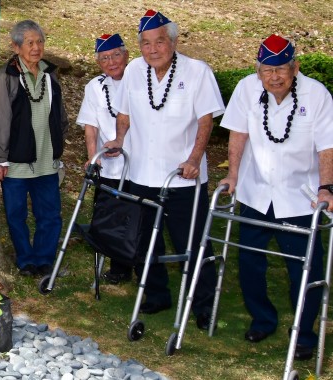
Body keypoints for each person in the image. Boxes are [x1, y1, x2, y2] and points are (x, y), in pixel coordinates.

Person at [102, 10, 221, 329]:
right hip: (141, 173)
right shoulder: (133, 71)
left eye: (159, 42)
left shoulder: (197, 71)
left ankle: (204, 304)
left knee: (193, 243)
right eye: (145, 43)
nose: (152, 49)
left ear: (172, 41)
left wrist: (195, 158)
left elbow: (206, 120)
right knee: (143, 240)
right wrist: (119, 139)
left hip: (183, 177)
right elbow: (124, 114)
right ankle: (156, 294)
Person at [219, 34, 333, 360]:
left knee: (306, 270)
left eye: (281, 68)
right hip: (256, 194)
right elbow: (238, 133)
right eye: (268, 70)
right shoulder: (246, 89)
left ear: (295, 67)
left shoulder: (317, 95)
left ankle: (305, 335)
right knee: (250, 263)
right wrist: (233, 175)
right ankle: (262, 319)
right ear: (258, 71)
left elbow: (327, 146)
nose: (275, 76)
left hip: (301, 198)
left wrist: (327, 187)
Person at [0, 20, 68, 277]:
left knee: (50, 214)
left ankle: (44, 259)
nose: (36, 48)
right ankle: (26, 260)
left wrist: (59, 141)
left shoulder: (50, 73)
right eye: (30, 43)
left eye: (40, 42)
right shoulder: (6, 77)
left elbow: (60, 114)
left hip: (46, 160)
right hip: (17, 162)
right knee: (16, 215)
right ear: (16, 46)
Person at [76, 33, 133, 284]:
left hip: (138, 167)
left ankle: (138, 266)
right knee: (107, 218)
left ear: (126, 55)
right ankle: (115, 268)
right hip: (106, 166)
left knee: (135, 219)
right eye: (105, 58)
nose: (111, 62)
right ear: (99, 63)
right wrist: (92, 157)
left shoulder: (141, 80)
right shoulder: (94, 86)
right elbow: (90, 125)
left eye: (116, 55)